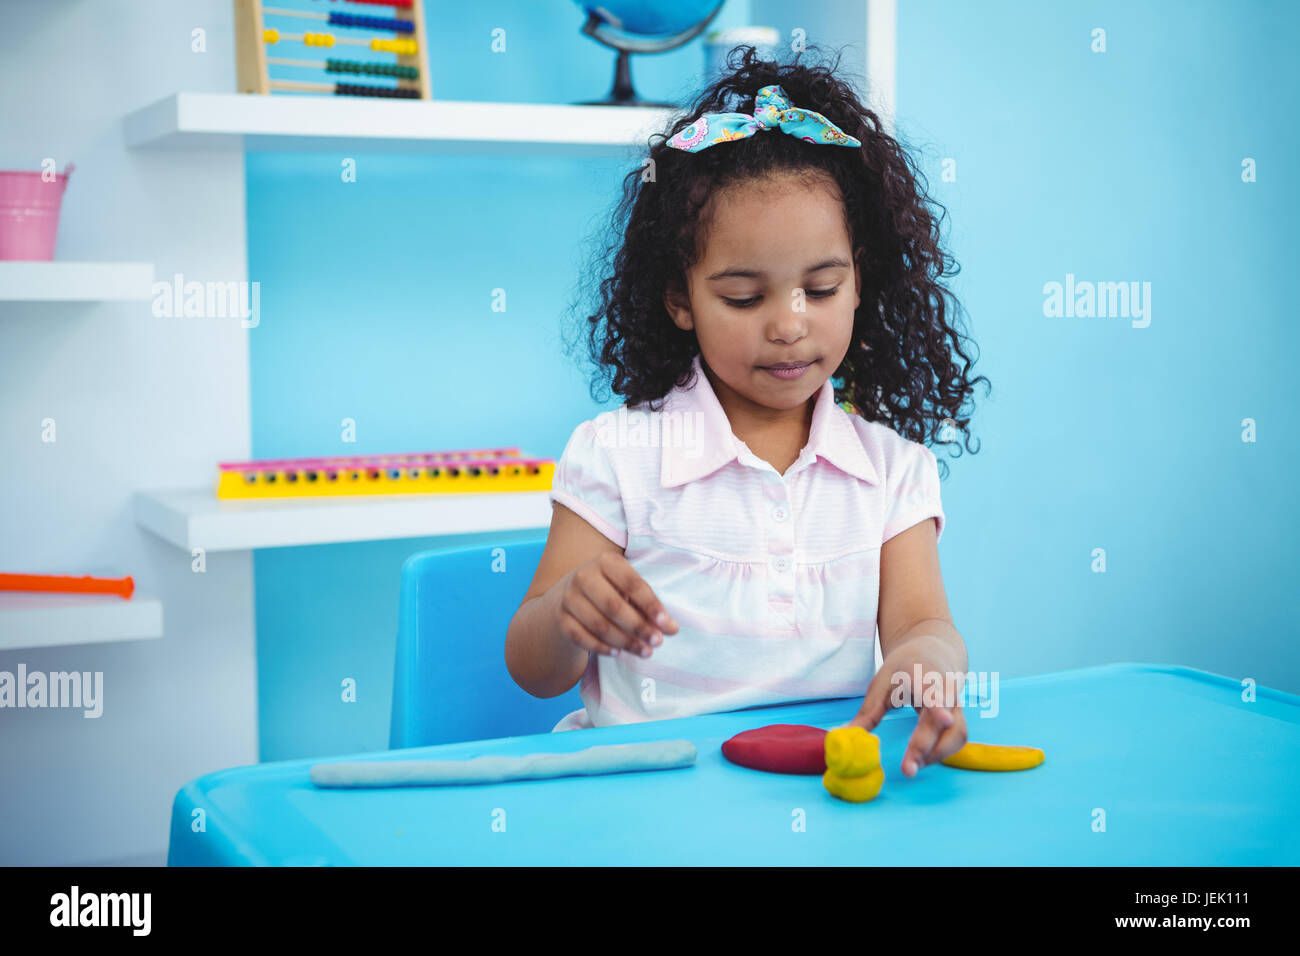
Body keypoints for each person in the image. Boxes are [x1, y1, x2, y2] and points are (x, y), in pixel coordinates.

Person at [505, 46, 990, 778]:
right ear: (680, 297)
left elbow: (924, 624)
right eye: (743, 297)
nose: (789, 323)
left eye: (821, 289)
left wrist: (926, 664)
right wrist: (571, 610)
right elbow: (534, 668)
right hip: (646, 798)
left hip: (822, 797)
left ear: (861, 280)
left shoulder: (893, 472)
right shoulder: (620, 456)